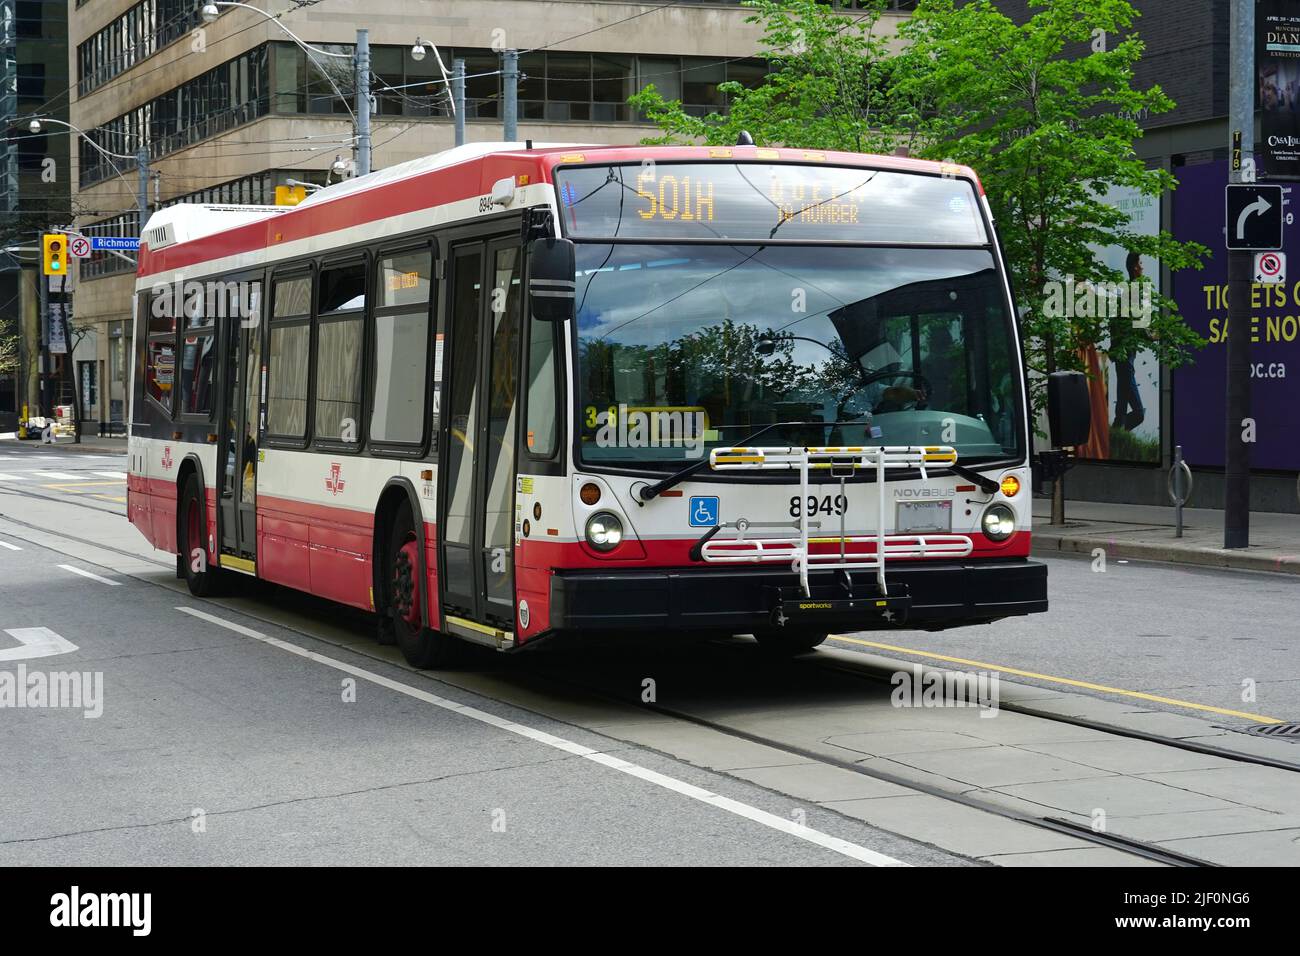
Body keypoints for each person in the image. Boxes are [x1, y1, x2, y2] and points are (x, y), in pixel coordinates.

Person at [1109, 252, 1146, 432]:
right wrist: (1152, 335)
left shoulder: (1124, 291)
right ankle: (1119, 434)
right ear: (1134, 267)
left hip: (1122, 355)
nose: (1143, 267)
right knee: (1138, 413)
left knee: (1121, 411)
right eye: (1140, 263)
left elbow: (1116, 323)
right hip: (1125, 356)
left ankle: (1117, 435)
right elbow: (1139, 324)